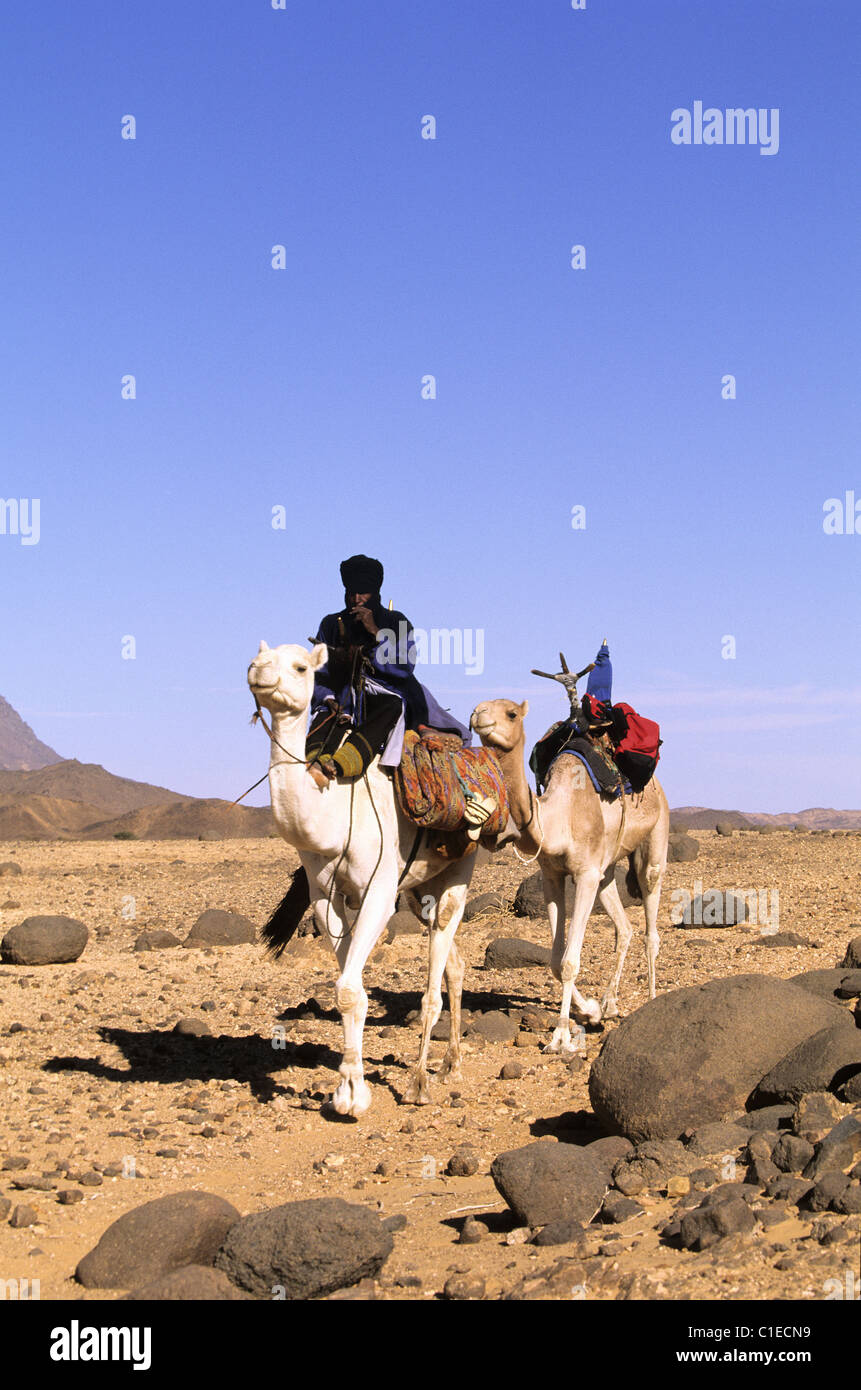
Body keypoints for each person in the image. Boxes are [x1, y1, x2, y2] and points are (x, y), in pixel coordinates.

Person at [307, 554, 470, 782]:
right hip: (342, 695)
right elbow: (318, 672)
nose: (356, 599)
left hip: (386, 693)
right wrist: (327, 698)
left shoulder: (396, 621)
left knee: (393, 705)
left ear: (375, 593)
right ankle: (314, 760)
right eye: (351, 592)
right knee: (326, 716)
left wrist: (376, 633)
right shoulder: (330, 624)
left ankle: (346, 761)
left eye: (363, 592)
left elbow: (405, 666)